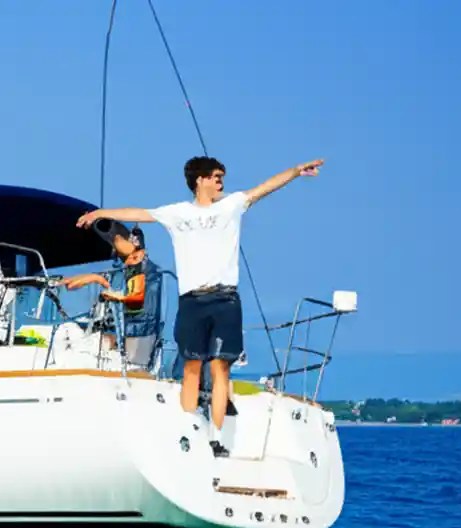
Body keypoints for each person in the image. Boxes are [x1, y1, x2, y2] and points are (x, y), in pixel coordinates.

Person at [75, 156, 324, 457]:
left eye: (222, 177)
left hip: (226, 299)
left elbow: (265, 188)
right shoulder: (176, 213)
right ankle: (188, 431)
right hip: (192, 300)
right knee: (191, 365)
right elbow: (138, 213)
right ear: (200, 180)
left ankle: (217, 437)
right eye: (217, 176)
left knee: (221, 368)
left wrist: (296, 172)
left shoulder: (232, 204)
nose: (222, 181)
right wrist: (101, 213)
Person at [64, 227, 162, 368]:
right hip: (119, 333)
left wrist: (112, 294)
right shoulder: (121, 269)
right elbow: (104, 281)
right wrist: (89, 278)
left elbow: (135, 298)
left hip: (138, 335)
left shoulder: (146, 270)